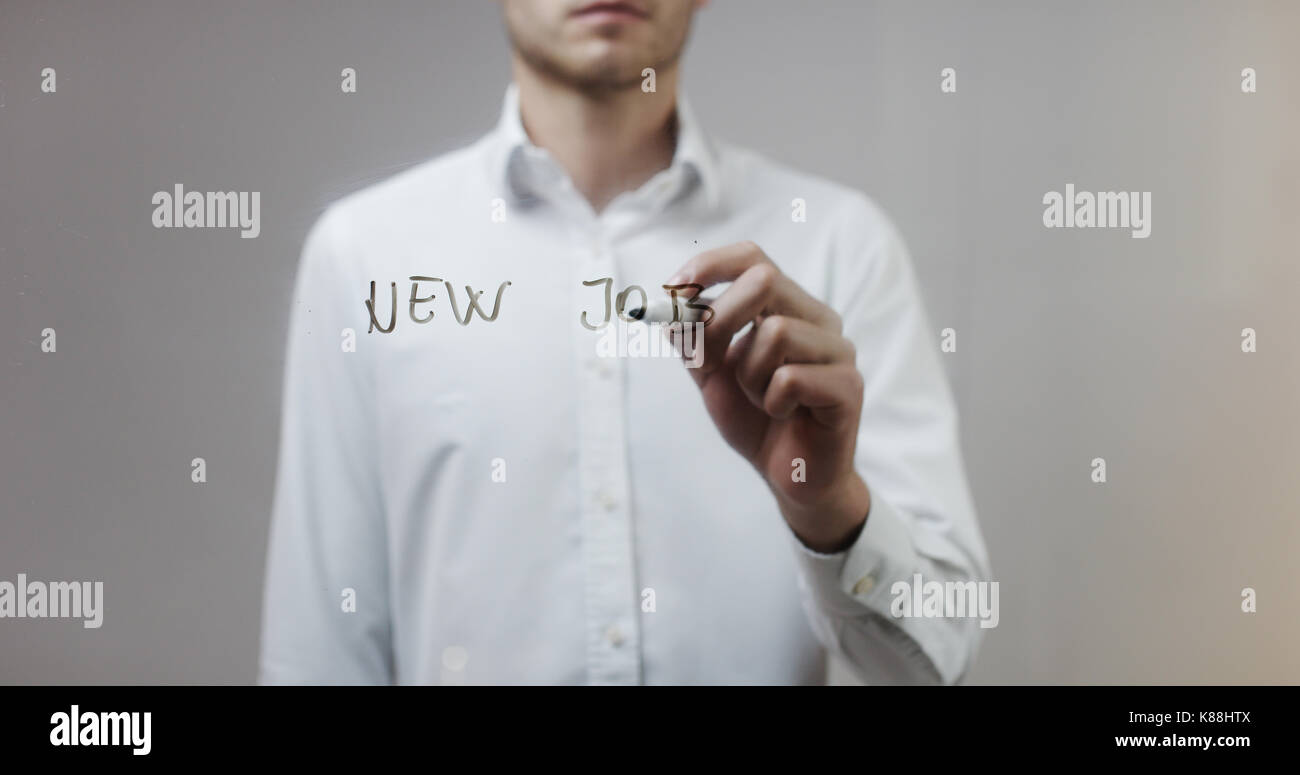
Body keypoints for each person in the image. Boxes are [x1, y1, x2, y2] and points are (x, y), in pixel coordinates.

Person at [259, 0, 991, 685]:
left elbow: (937, 660)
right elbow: (320, 656)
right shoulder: (362, 257)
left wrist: (828, 507)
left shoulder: (840, 246)